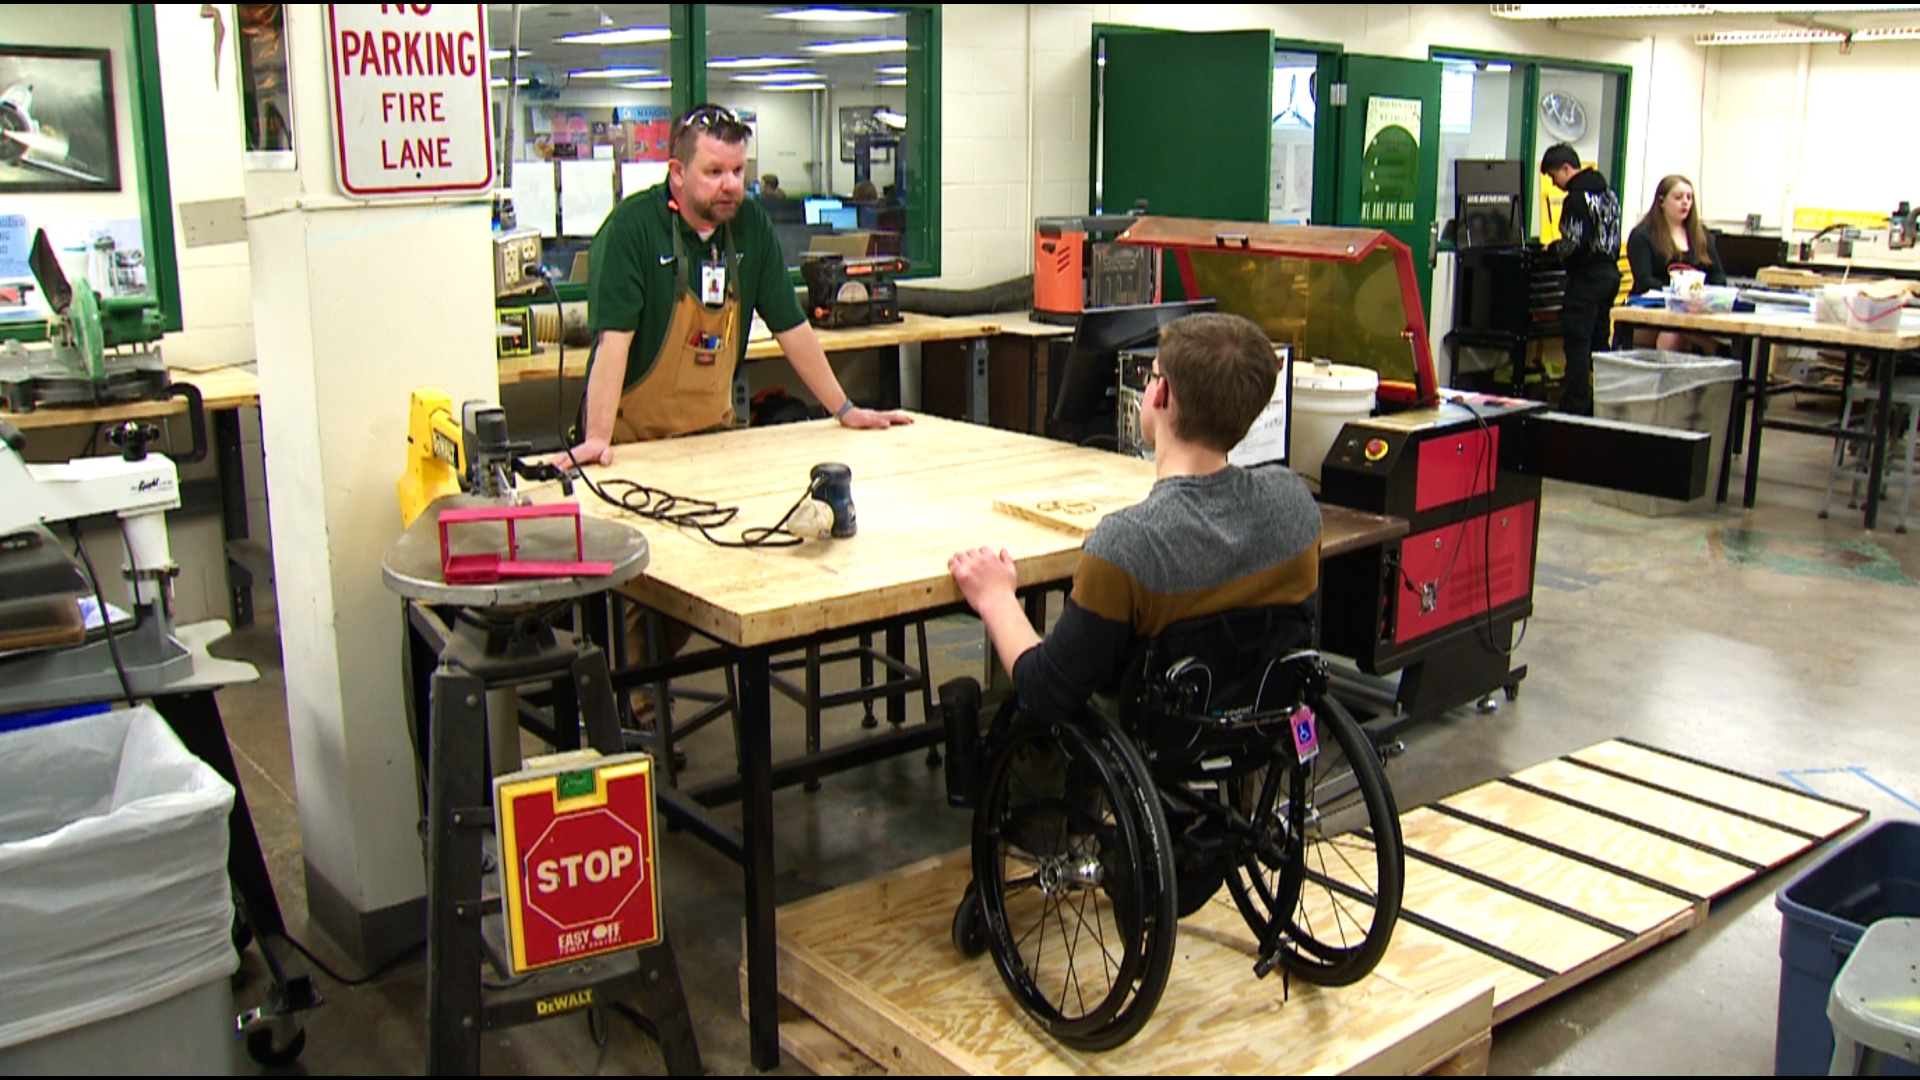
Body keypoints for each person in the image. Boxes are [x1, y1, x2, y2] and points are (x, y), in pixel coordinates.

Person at [948, 313, 1321, 719]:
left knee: (1015, 700)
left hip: (1151, 738)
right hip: (1258, 727)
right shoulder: (1295, 505)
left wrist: (996, 596)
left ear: (1162, 394)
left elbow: (1047, 689)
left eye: (1151, 374)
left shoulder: (1129, 545)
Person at [556, 103, 910, 469]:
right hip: (631, 446)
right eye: (714, 172)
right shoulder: (631, 230)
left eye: (738, 170)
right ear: (677, 172)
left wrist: (844, 409)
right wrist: (597, 439)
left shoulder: (751, 226)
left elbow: (791, 327)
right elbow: (613, 344)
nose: (731, 185)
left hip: (714, 441)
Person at [1540, 144, 1622, 417]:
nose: (1555, 184)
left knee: (1577, 342)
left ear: (1566, 168)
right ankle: (1604, 401)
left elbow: (1574, 242)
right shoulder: (1608, 193)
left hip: (1587, 278)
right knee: (1600, 341)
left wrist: (1552, 249)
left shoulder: (1576, 198)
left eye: (1554, 177)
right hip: (1610, 274)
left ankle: (1575, 406)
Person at [1627, 174, 1727, 352]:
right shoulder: (1642, 235)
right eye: (1678, 197)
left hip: (1693, 310)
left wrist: (1705, 294)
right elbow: (1644, 281)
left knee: (1679, 330)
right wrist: (1681, 293)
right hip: (1652, 311)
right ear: (1662, 201)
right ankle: (1714, 349)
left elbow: (1718, 274)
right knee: (1673, 333)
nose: (1685, 202)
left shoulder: (1701, 235)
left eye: (1689, 197)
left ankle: (1717, 353)